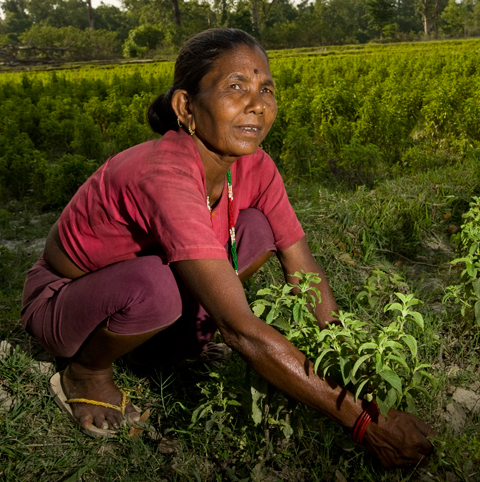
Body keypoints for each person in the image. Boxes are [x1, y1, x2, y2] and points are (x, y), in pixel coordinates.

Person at [21, 27, 434, 468]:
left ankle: (172, 347)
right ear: (186, 107)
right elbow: (238, 328)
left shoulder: (255, 165)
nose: (257, 104)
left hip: (145, 298)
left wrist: (351, 372)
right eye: (235, 87)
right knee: (156, 285)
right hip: (68, 304)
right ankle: (86, 372)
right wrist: (362, 422)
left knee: (256, 229)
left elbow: (302, 265)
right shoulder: (166, 172)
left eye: (266, 89)